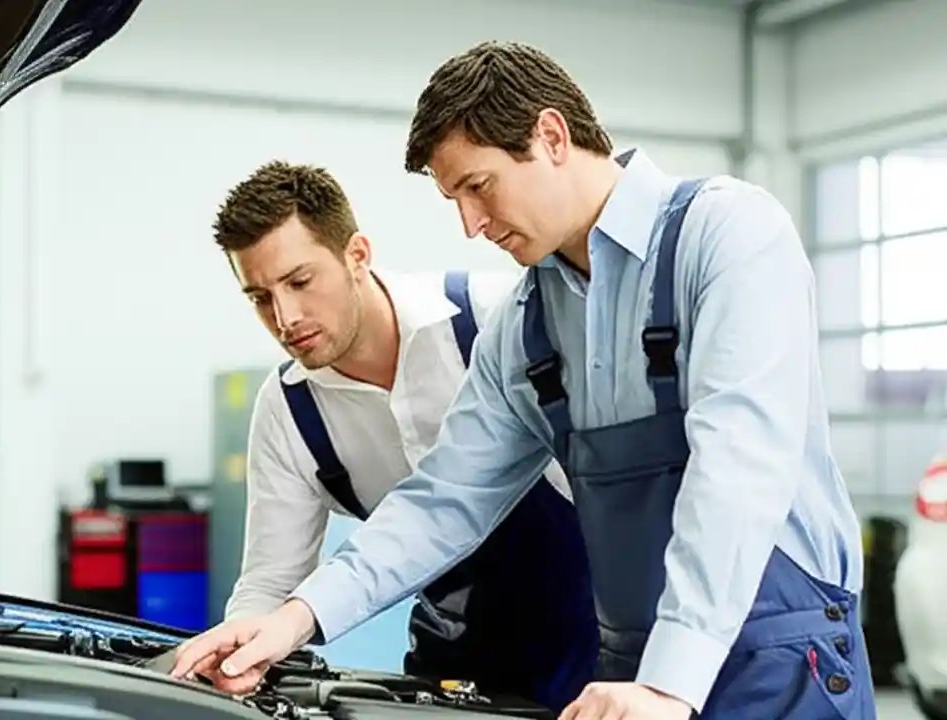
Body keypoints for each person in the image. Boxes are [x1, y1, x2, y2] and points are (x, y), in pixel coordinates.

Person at [172, 42, 877, 720]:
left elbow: (738, 466)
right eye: (455, 200)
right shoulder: (526, 323)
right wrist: (293, 619)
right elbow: (444, 499)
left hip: (771, 659)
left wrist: (668, 682)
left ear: (551, 136)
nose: (472, 225)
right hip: (628, 672)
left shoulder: (726, 234)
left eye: (478, 188)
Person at [206, 159, 598, 709]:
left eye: (299, 282)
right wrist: (238, 650)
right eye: (259, 297)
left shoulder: (493, 319)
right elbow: (271, 580)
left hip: (595, 635)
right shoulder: (287, 411)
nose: (285, 316)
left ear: (357, 256)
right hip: (461, 659)